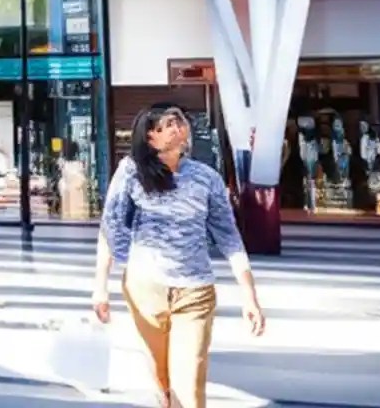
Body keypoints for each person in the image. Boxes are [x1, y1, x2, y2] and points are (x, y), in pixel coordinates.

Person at [92, 106, 265, 408]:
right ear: (149, 138)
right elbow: (111, 226)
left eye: (178, 122)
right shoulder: (131, 171)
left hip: (195, 292)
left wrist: (249, 294)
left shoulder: (206, 178)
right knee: (162, 380)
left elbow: (228, 235)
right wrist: (100, 287)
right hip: (145, 289)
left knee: (190, 387)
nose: (175, 128)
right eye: (165, 125)